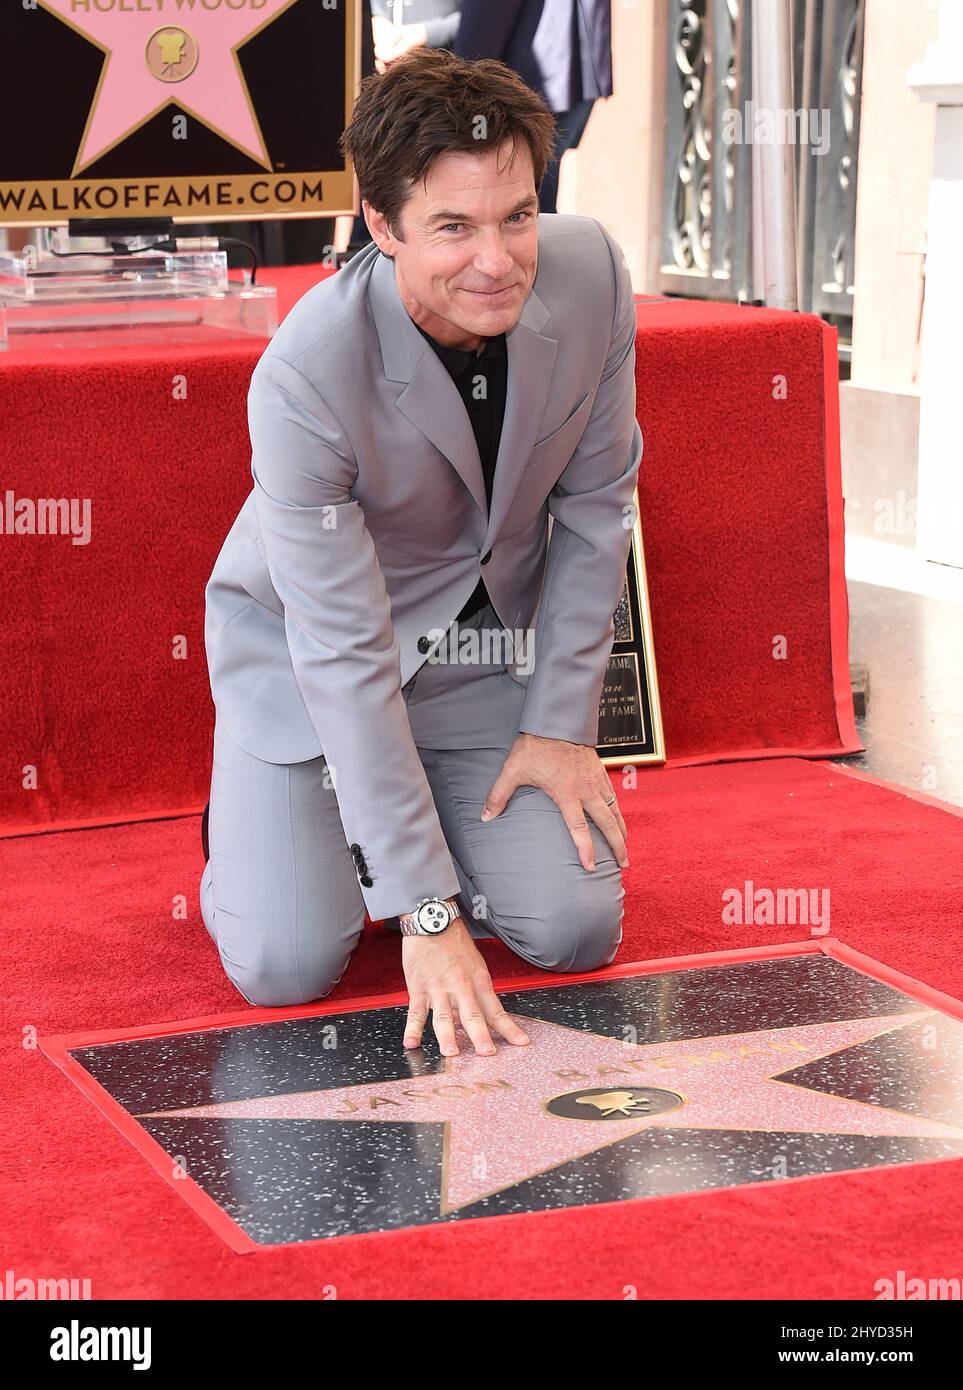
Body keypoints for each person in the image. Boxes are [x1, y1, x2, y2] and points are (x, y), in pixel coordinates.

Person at [200, 47, 643, 1060]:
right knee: (286, 964)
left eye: (517, 216)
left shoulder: (593, 281)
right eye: (452, 226)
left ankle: (428, 830)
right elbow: (347, 654)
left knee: (573, 928)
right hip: (316, 670)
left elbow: (593, 509)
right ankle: (252, 826)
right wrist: (429, 917)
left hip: (483, 662)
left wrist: (561, 722)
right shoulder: (305, 376)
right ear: (382, 224)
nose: (498, 260)